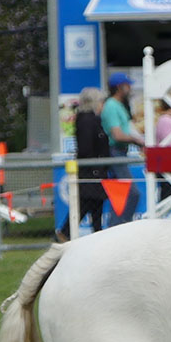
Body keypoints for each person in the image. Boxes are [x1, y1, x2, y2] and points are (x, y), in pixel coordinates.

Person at [55, 87, 110, 241]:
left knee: (92, 205)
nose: (102, 105)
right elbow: (86, 148)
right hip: (91, 171)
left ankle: (93, 234)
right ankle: (67, 232)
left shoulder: (90, 120)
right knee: (87, 204)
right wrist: (96, 162)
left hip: (95, 170)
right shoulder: (87, 121)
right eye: (100, 101)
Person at [100, 72, 144, 224]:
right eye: (127, 85)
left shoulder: (118, 105)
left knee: (121, 193)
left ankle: (117, 225)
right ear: (119, 87)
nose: (130, 88)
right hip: (115, 151)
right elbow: (117, 135)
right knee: (131, 193)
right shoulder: (112, 106)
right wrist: (137, 141)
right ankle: (120, 225)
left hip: (120, 152)